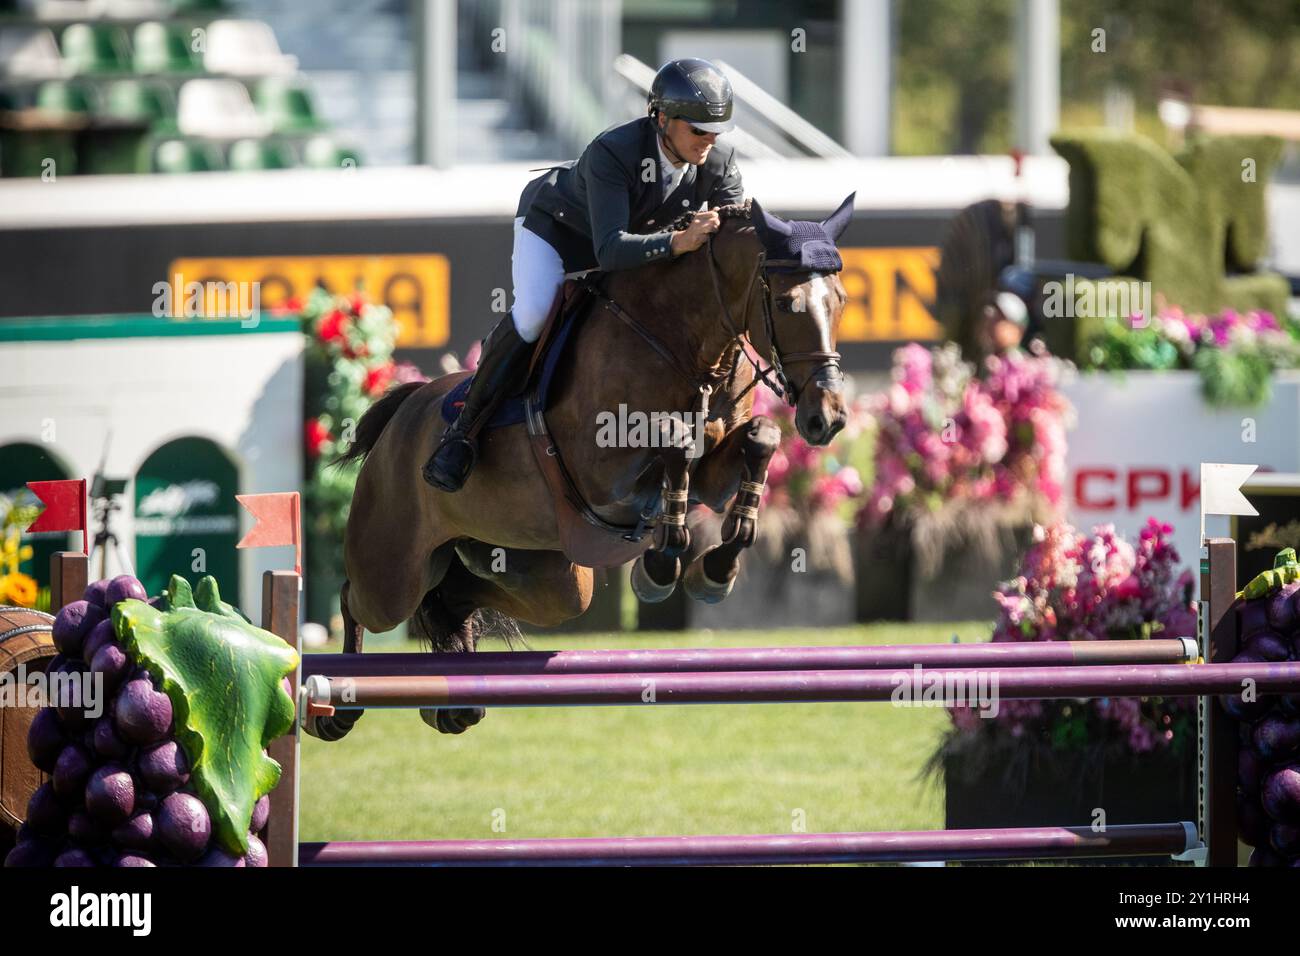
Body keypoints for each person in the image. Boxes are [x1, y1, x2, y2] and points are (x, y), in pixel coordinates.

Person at [423, 57, 746, 492]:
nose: (708, 141)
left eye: (716, 131)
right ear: (662, 118)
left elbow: (726, 244)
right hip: (559, 234)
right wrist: (677, 243)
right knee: (536, 313)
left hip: (640, 252)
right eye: (697, 130)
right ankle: (463, 432)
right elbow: (610, 250)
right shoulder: (615, 152)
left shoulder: (720, 164)